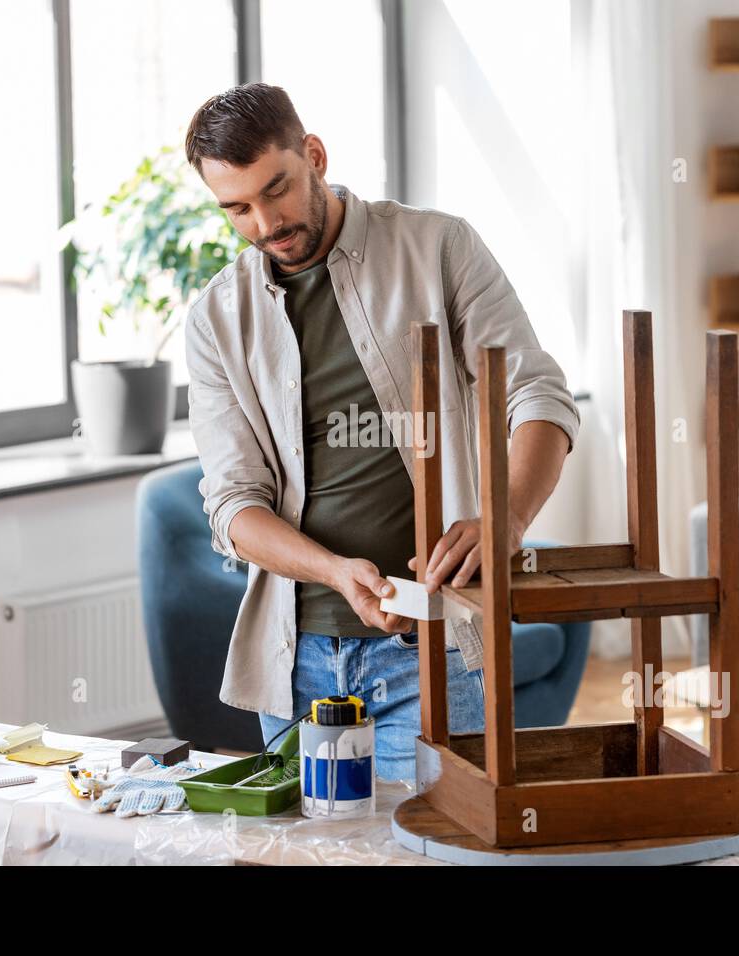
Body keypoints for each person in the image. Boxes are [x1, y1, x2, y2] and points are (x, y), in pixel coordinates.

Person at [183, 82, 579, 780]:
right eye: (237, 208)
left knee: (436, 853)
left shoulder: (438, 246)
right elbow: (233, 506)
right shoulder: (216, 320)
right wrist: (335, 573)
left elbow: (537, 391)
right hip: (294, 660)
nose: (265, 223)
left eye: (277, 189)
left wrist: (507, 517)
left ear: (314, 154)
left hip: (434, 646)